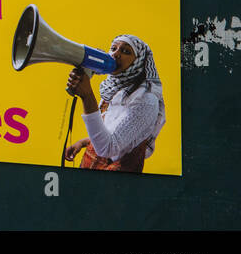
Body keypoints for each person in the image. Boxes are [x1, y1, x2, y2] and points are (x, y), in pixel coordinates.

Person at [64, 35, 166, 173]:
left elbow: (108, 148)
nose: (115, 54)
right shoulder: (113, 91)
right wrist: (84, 142)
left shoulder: (146, 100)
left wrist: (87, 96)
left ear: (139, 62)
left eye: (126, 51)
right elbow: (116, 133)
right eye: (113, 48)